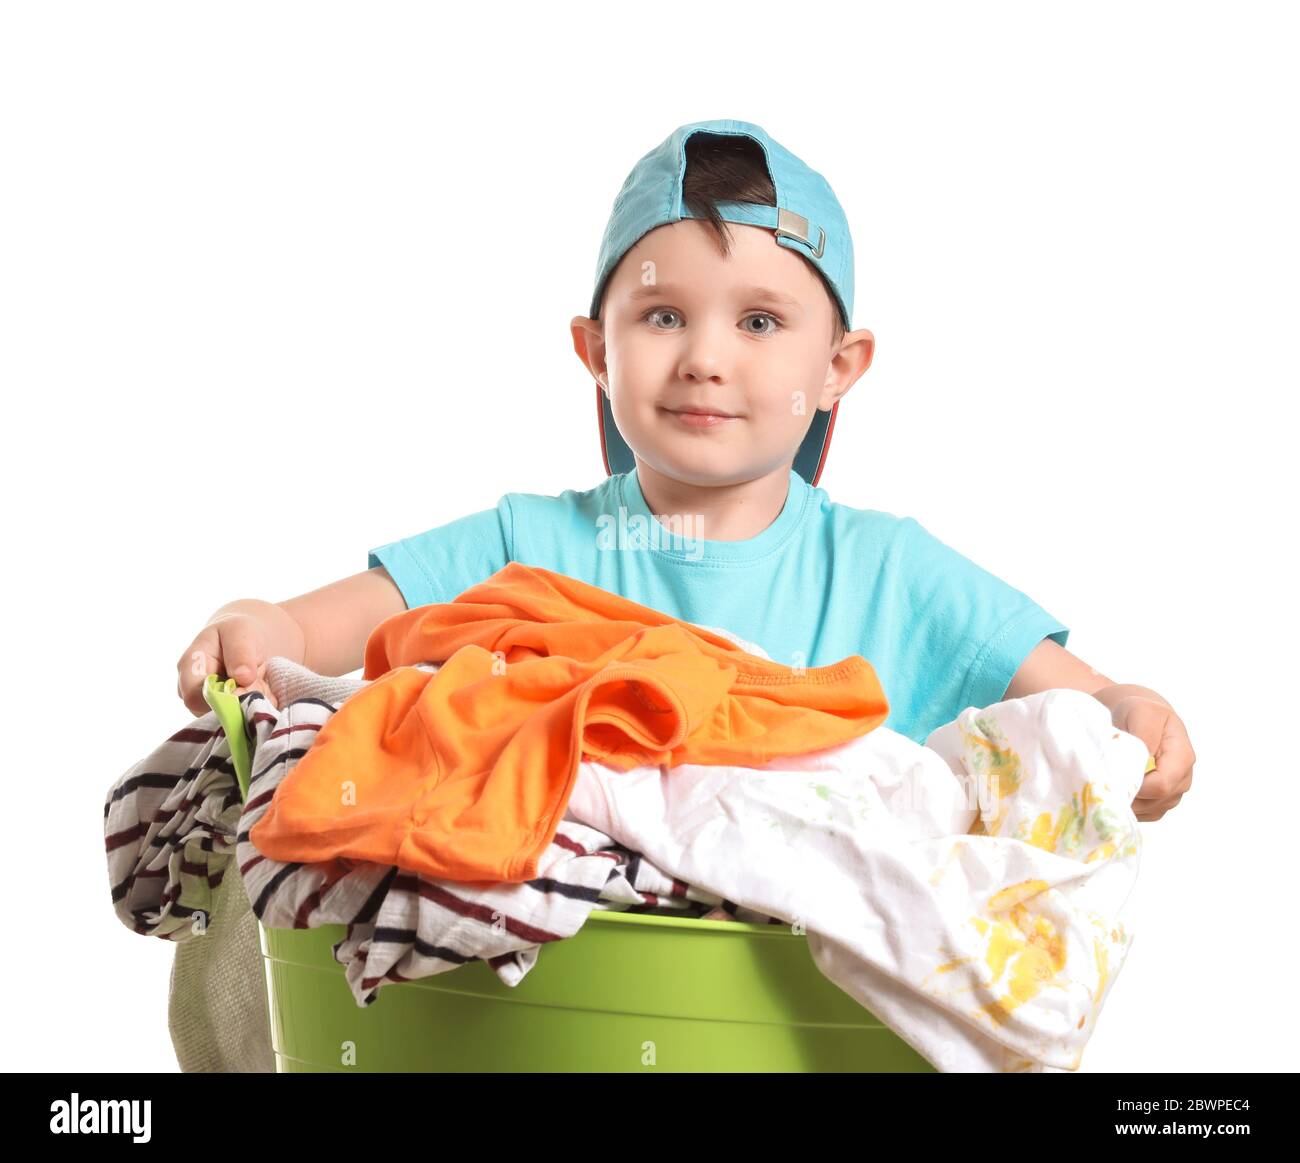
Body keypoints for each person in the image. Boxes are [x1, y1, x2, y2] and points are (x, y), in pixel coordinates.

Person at [175, 118, 1193, 822]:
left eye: (758, 320)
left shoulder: (891, 570)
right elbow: (306, 636)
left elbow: (1088, 706)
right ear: (594, 348)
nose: (706, 355)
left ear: (838, 369)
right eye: (663, 315)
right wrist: (255, 623)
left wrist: (1130, 715)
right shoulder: (525, 544)